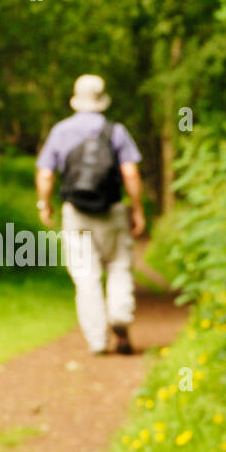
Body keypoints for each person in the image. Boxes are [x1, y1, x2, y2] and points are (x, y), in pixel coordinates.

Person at [35, 74, 147, 355]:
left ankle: (97, 339)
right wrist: (137, 208)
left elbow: (46, 174)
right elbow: (130, 172)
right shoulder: (116, 131)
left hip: (77, 213)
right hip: (112, 211)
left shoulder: (61, 131)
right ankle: (120, 314)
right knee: (119, 266)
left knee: (86, 277)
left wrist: (44, 204)